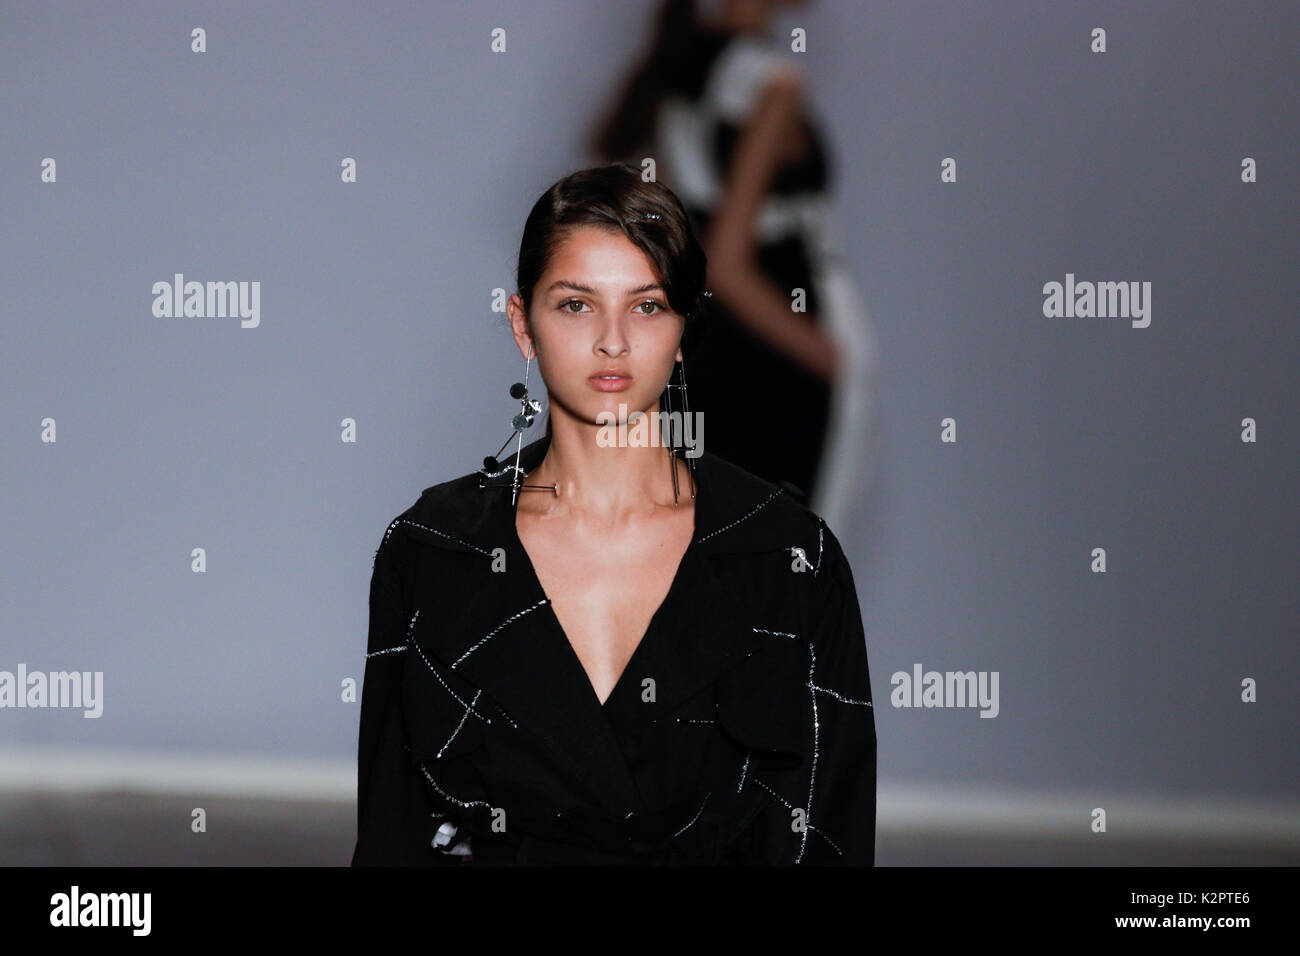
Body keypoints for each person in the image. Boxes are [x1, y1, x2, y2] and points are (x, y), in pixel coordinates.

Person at [351, 164, 875, 865]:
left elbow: (831, 833)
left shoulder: (786, 556)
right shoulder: (435, 551)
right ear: (522, 326)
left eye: (648, 305)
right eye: (575, 304)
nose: (613, 340)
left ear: (686, 328)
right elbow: (394, 836)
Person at [589, 0, 878, 534]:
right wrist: (830, 358)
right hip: (777, 348)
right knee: (793, 565)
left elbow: (685, 243)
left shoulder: (678, 74)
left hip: (706, 352)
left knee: (708, 563)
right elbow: (726, 261)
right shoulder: (773, 83)